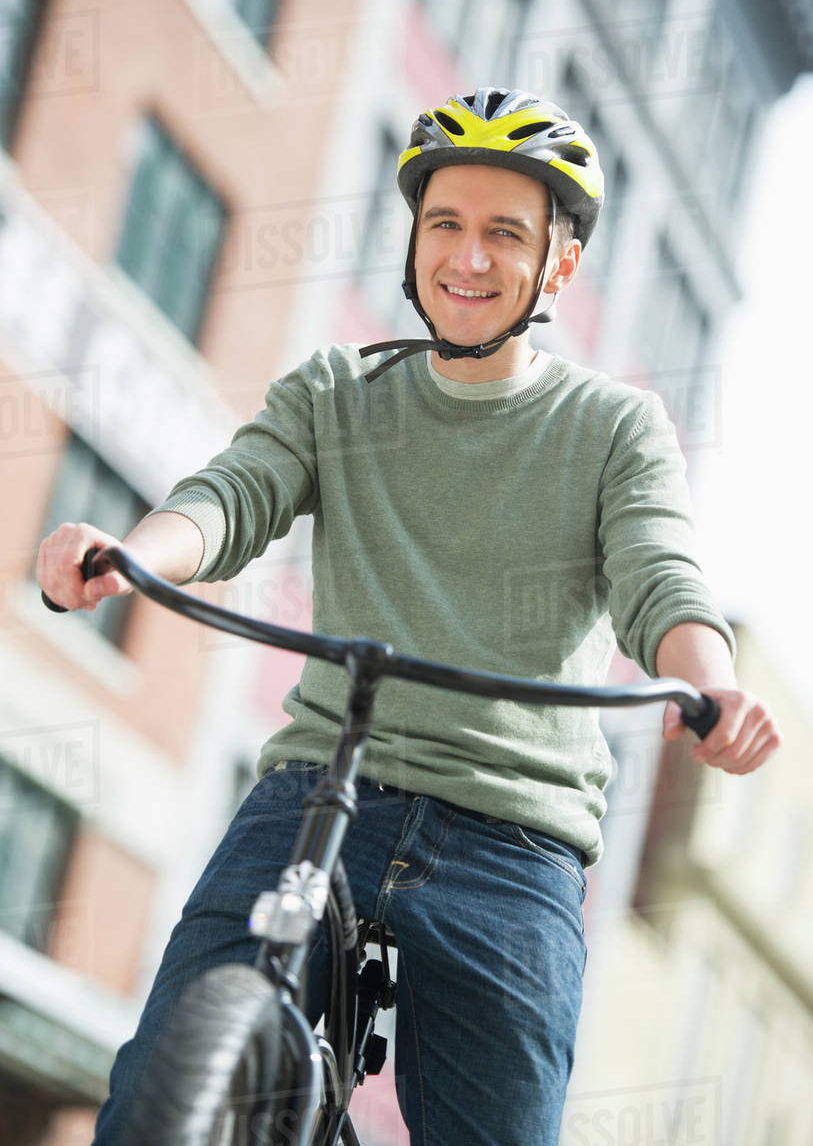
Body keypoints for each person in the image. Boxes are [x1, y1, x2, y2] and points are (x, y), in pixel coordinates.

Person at [38, 88, 781, 1146]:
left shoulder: (613, 427)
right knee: (155, 1100)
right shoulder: (337, 394)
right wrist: (129, 552)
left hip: (513, 845)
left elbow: (662, 578)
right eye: (446, 225)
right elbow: (233, 495)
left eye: (504, 234)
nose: (466, 258)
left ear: (558, 267)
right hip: (319, 795)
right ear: (416, 236)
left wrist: (710, 685)